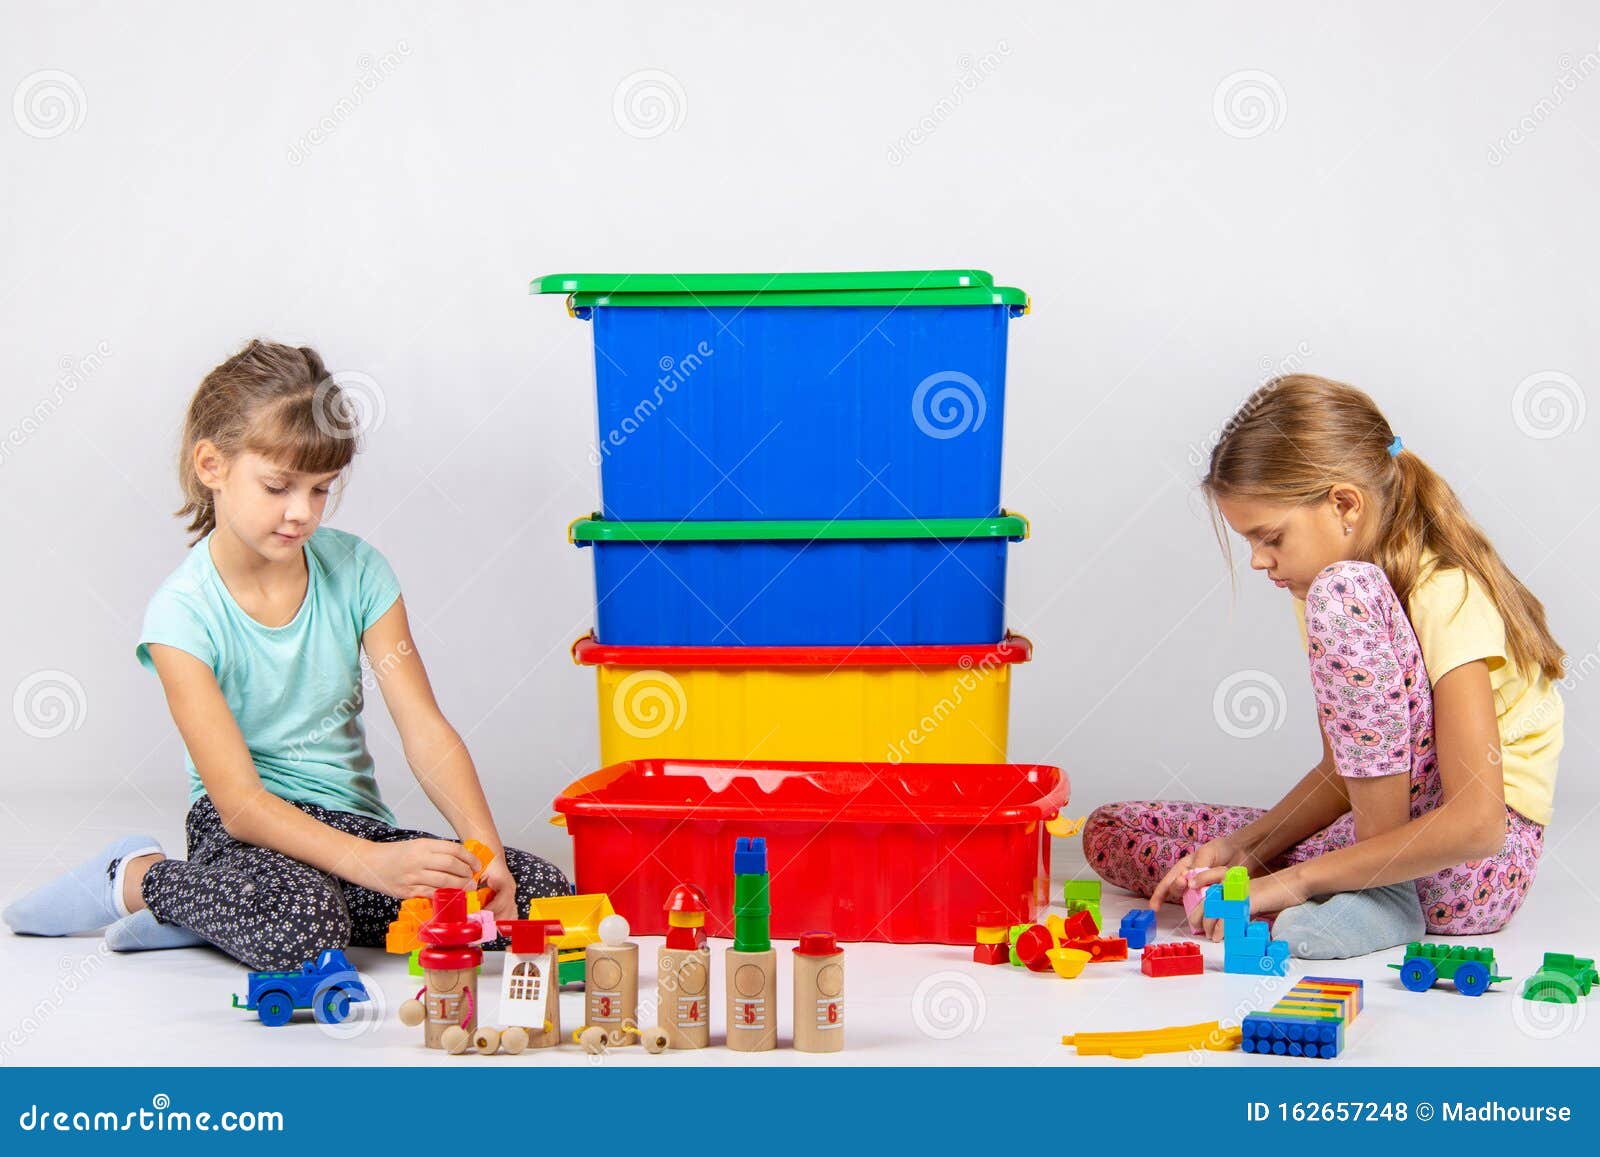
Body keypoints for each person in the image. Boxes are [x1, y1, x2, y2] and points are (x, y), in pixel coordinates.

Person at [5, 340, 570, 968]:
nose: (301, 512)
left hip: (352, 827)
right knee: (308, 926)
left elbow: (425, 730)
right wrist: (376, 867)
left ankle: (224, 914)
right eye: (278, 486)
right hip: (243, 832)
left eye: (321, 489)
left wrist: (484, 854)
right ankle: (142, 879)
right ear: (211, 465)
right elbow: (241, 804)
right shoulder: (181, 615)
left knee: (543, 892)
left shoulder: (358, 571)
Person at [1084, 374, 1563, 958]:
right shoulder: (1319, 592)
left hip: (1470, 870)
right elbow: (1353, 768)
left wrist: (1296, 879)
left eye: (1271, 537)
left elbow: (1477, 824)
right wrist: (1248, 849)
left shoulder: (1430, 594)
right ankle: (1336, 885)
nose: (1260, 560)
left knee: (1341, 593)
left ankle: (1380, 900)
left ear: (1343, 505)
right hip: (1392, 840)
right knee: (1115, 831)